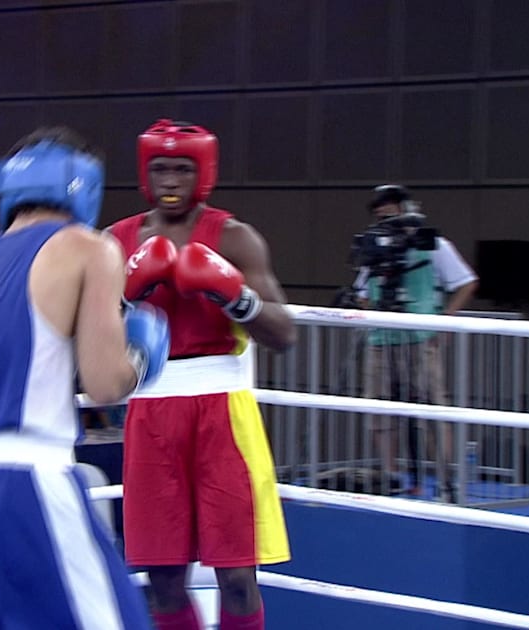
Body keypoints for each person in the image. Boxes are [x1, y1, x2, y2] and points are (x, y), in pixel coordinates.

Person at [0, 126, 169, 630]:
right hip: (31, 485)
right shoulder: (89, 248)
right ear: (82, 186)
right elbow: (106, 384)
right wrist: (145, 353)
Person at [108, 119, 297, 630]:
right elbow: (89, 337)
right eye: (161, 169)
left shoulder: (234, 237)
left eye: (182, 169)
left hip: (223, 411)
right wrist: (127, 294)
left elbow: (284, 334)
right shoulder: (116, 241)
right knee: (163, 576)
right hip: (150, 409)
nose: (171, 181)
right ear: (146, 173)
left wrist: (235, 295)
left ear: (204, 173)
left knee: (236, 575)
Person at [354, 184, 478, 503]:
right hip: (382, 339)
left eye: (392, 211)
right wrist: (374, 313)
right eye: (380, 213)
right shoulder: (373, 247)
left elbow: (466, 282)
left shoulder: (432, 244)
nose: (386, 217)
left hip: (421, 337)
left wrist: (444, 319)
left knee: (431, 408)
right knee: (379, 407)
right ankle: (392, 475)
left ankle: (447, 480)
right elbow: (362, 292)